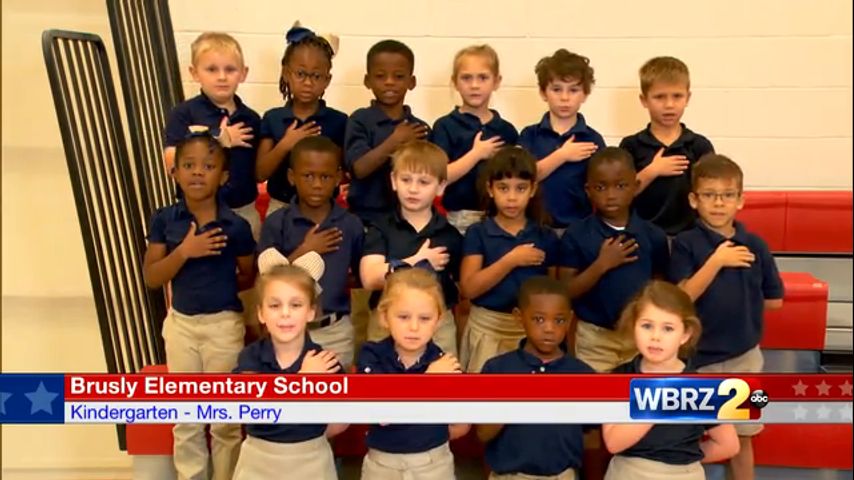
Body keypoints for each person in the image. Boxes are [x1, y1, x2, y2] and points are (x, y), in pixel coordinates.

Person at [143, 132, 255, 480]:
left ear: (223, 176)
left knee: (226, 421)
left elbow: (248, 274)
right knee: (186, 418)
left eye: (208, 166)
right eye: (188, 165)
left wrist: (220, 288)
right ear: (174, 173)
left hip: (224, 327)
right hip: (182, 327)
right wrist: (185, 252)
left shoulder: (236, 226)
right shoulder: (165, 220)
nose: (197, 172)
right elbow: (152, 277)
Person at [668, 154, 783, 479]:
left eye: (727, 195)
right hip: (696, 359)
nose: (719, 203)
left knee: (743, 438)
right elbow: (681, 298)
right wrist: (717, 261)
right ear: (694, 200)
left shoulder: (756, 245)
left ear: (740, 200)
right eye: (709, 194)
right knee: (689, 435)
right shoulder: (686, 244)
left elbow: (774, 301)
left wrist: (741, 305)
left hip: (743, 358)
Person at [603, 280, 740, 480]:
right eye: (647, 326)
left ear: (685, 335)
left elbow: (729, 445)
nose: (655, 336)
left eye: (668, 328)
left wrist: (685, 460)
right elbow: (614, 443)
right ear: (634, 326)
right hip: (628, 473)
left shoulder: (702, 389)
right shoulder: (618, 378)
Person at [232, 249, 346, 480]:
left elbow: (340, 420)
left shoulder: (326, 362)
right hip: (259, 461)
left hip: (312, 460)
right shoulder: (250, 358)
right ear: (261, 313)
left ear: (311, 312)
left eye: (295, 305)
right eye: (275, 306)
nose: (285, 313)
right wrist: (302, 382)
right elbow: (251, 409)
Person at [258, 136, 363, 369]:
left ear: (338, 177)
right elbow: (266, 279)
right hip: (287, 329)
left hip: (335, 331)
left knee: (336, 390)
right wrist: (306, 250)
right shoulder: (277, 223)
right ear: (291, 177)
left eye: (325, 177)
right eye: (308, 176)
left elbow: (358, 276)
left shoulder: (350, 224)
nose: (316, 184)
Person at [357, 268, 470, 480]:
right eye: (403, 317)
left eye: (425, 318)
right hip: (382, 464)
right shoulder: (371, 356)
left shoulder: (445, 365)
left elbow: (461, 424)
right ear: (384, 317)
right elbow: (381, 413)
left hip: (433, 463)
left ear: (438, 321)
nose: (414, 327)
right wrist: (427, 383)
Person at [479, 276, 593, 480]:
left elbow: (591, 437)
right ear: (519, 317)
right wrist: (512, 402)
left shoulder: (583, 374)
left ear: (570, 320)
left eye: (559, 320)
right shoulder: (497, 369)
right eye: (539, 319)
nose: (549, 328)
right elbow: (483, 433)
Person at [459, 146, 560, 372]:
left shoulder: (545, 236)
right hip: (486, 329)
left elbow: (554, 294)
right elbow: (469, 289)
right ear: (490, 189)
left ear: (533, 189)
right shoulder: (478, 233)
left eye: (520, 188)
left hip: (530, 334)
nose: (512, 197)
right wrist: (511, 260)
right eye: (503, 188)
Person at [255, 22, 347, 215]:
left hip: (326, 211)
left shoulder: (338, 121)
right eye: (300, 74)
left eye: (316, 76)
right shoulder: (273, 118)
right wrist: (285, 144)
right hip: (281, 208)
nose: (307, 82)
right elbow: (260, 173)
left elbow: (345, 171)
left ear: (327, 80)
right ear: (286, 74)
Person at [619, 56, 715, 236]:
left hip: (689, 237)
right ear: (644, 100)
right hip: (643, 237)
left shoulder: (699, 146)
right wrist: (652, 171)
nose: (669, 105)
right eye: (659, 97)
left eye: (677, 96)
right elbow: (621, 196)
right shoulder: (631, 146)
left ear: (688, 98)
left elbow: (710, 196)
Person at [431, 44, 518, 235]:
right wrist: (476, 154)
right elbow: (438, 177)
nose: (474, 85)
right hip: (456, 218)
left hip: (497, 217)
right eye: (466, 78)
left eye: (483, 78)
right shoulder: (445, 126)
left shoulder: (506, 130)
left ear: (496, 81)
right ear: (455, 82)